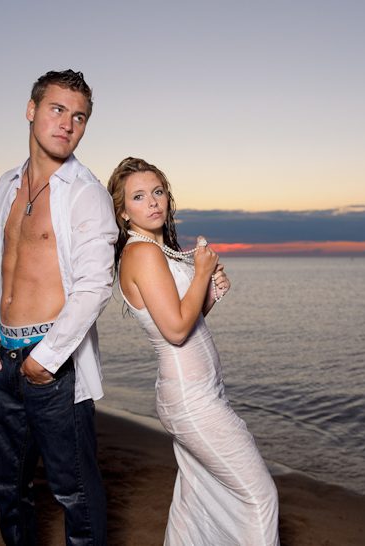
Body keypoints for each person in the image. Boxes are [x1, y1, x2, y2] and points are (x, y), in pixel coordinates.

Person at [0, 69, 117, 545]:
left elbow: (95, 285)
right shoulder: (6, 184)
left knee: (75, 495)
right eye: (57, 110)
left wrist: (45, 359)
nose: (68, 124)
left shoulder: (86, 193)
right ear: (31, 110)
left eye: (79, 117)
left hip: (53, 366)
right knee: (6, 489)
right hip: (3, 359)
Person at [107, 157, 280, 545]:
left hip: (197, 392)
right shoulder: (142, 253)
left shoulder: (156, 249)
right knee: (259, 498)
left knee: (197, 498)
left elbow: (185, 318)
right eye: (139, 196)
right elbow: (175, 331)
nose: (153, 202)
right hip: (191, 399)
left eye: (158, 191)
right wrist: (201, 272)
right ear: (123, 211)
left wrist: (210, 291)